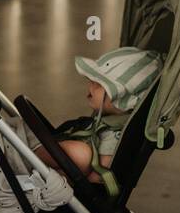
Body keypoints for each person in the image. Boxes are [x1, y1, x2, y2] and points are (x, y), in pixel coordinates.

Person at [32, 46, 164, 195]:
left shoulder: (122, 136)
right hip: (59, 169)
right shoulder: (106, 120)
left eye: (100, 83)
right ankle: (26, 155)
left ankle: (26, 162)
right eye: (92, 79)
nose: (91, 84)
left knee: (81, 155)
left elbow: (100, 176)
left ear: (123, 101)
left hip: (81, 190)